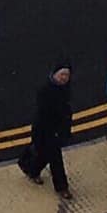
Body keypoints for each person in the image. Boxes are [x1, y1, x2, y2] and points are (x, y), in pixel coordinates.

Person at [18, 61, 74, 198]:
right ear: (54, 74)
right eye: (62, 74)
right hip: (46, 129)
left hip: (58, 128)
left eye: (67, 75)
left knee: (44, 154)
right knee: (55, 158)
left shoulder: (65, 88)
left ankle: (30, 169)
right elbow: (45, 113)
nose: (64, 77)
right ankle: (62, 187)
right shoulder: (45, 90)